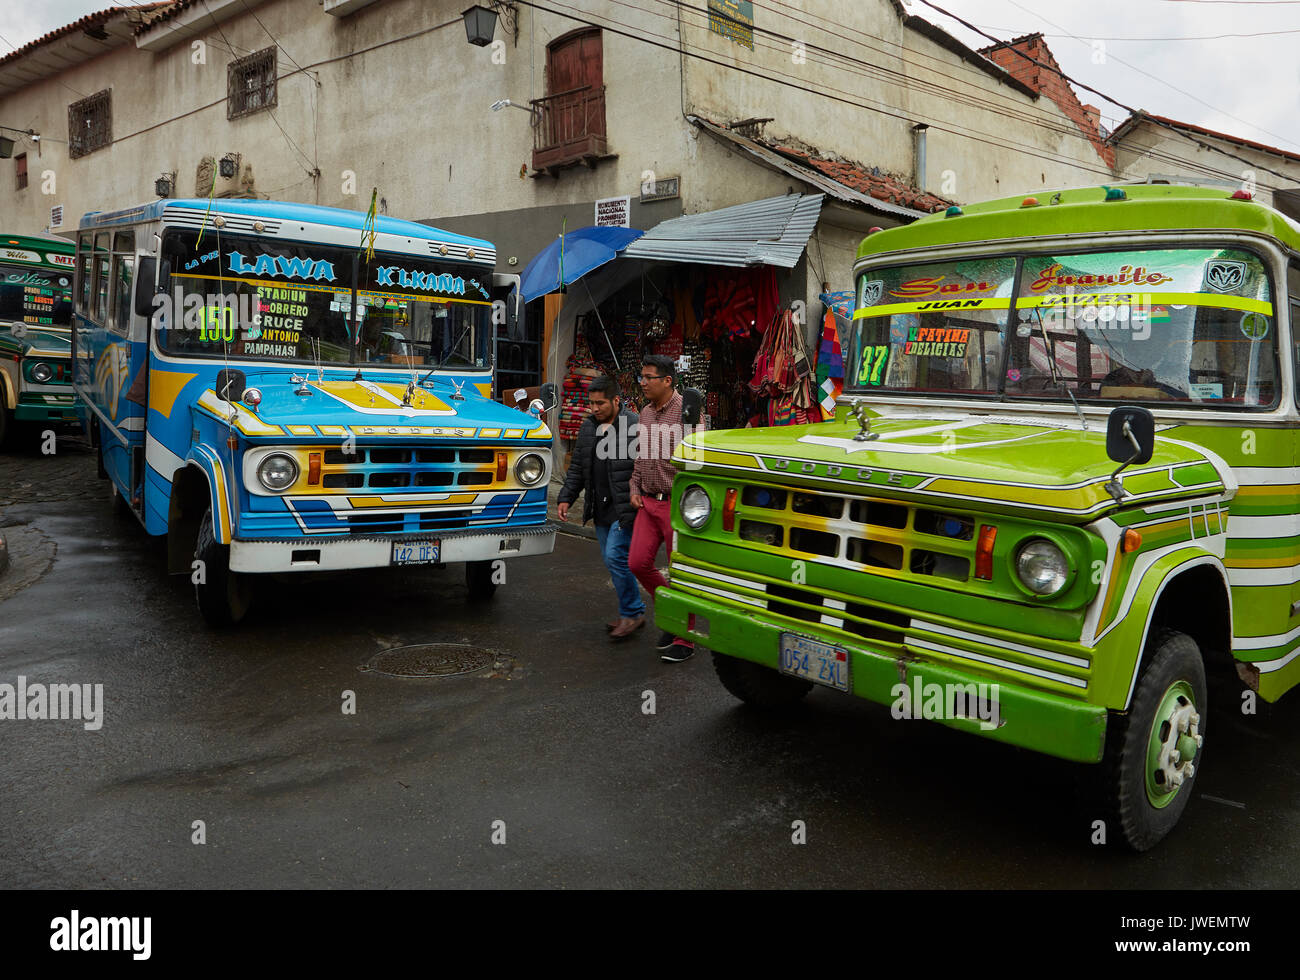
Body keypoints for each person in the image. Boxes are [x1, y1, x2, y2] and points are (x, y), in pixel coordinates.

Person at [556, 375, 646, 639]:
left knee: (615, 557)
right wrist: (566, 497)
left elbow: (643, 467)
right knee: (613, 560)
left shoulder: (633, 426)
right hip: (599, 507)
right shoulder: (587, 428)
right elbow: (577, 468)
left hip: (624, 507)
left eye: (600, 404)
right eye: (591, 404)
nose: (595, 409)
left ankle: (631, 613)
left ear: (616, 400)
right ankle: (634, 610)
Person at [628, 354, 694, 662]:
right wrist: (634, 487)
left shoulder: (687, 412)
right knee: (638, 562)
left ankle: (685, 637)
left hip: (676, 505)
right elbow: (641, 455)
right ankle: (671, 613)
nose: (642, 383)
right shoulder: (644, 413)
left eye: (647, 377)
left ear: (667, 380)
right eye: (641, 377)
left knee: (681, 573)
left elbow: (697, 462)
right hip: (647, 501)